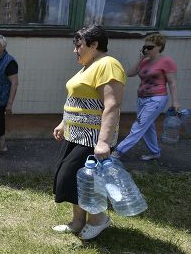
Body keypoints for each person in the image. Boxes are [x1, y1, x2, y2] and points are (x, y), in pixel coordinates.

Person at [52, 24, 126, 240]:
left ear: (94, 45)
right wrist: (64, 123)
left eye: (79, 46)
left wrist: (103, 142)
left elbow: (112, 105)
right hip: (75, 135)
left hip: (92, 139)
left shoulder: (108, 64)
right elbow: (77, 101)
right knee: (74, 178)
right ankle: (77, 222)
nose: (75, 50)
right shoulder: (88, 67)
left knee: (83, 180)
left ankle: (98, 219)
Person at [111, 33, 180, 161]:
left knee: (139, 125)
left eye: (150, 47)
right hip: (142, 98)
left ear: (159, 47)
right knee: (148, 127)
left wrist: (175, 101)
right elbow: (129, 73)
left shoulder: (167, 61)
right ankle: (155, 152)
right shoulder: (144, 61)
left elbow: (172, 82)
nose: (146, 49)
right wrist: (140, 59)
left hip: (157, 99)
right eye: (145, 47)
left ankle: (117, 152)